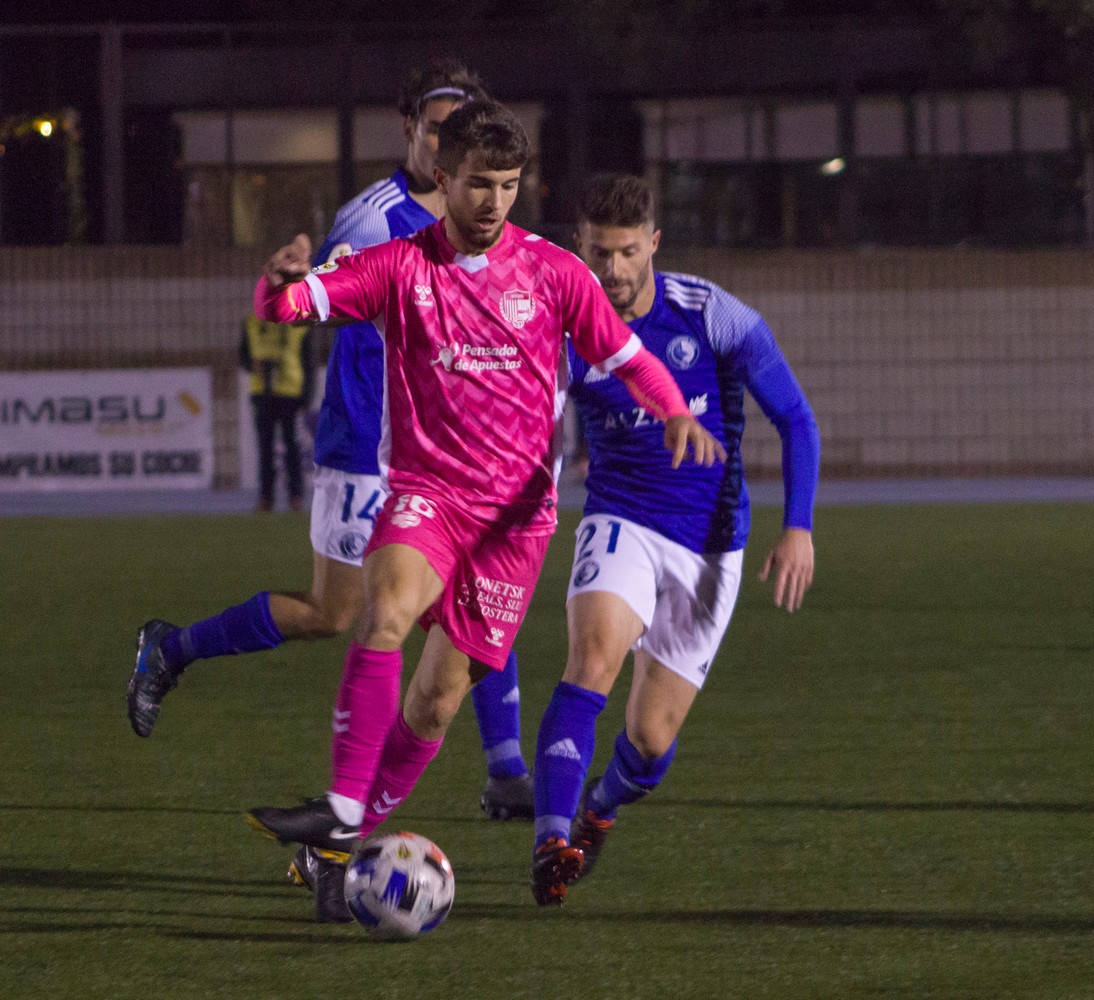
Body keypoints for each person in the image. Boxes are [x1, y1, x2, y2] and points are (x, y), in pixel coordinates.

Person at [243, 102, 726, 922]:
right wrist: (277, 279)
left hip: (515, 527)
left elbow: (629, 358)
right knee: (386, 611)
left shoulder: (553, 273)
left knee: (434, 703)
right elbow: (286, 309)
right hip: (427, 497)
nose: (494, 201)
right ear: (444, 179)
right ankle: (345, 809)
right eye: (478, 184)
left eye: (507, 185)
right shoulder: (396, 267)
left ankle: (337, 844)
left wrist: (675, 408)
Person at [127, 61, 534, 822]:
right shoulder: (371, 219)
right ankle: (172, 648)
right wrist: (288, 281)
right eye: (437, 128)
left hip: (449, 460)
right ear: (410, 130)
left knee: (481, 596)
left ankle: (506, 774)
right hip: (366, 447)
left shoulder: (490, 225)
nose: (448, 142)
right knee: (331, 613)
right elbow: (316, 301)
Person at [528, 173, 820, 906]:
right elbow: (534, 431)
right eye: (600, 253)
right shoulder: (563, 331)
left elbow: (796, 419)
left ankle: (599, 810)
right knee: (592, 658)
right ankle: (550, 839)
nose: (614, 269)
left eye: (629, 252)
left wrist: (798, 527)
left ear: (654, 242)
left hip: (711, 543)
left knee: (651, 739)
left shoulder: (710, 312)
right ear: (579, 247)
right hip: (619, 517)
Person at [241, 311, 312, 512]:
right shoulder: (252, 322)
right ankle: (266, 497)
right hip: (262, 391)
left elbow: (308, 359)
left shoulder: (299, 321)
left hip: (290, 392)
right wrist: (252, 365)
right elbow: (244, 355)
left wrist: (307, 394)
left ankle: (296, 496)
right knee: (265, 448)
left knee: (292, 447)